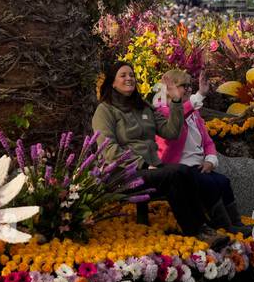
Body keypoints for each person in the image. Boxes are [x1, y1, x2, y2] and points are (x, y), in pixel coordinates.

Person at [92, 62, 227, 246]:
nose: (129, 78)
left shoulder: (144, 106)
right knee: (174, 175)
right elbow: (108, 150)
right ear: (112, 83)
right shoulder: (105, 110)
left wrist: (177, 101)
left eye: (131, 74)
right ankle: (197, 231)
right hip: (122, 173)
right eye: (123, 75)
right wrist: (143, 164)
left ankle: (201, 229)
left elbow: (171, 132)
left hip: (152, 169)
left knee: (184, 172)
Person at [154, 68, 245, 229]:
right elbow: (179, 115)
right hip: (178, 169)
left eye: (190, 85)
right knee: (208, 183)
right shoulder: (163, 112)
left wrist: (210, 160)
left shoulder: (194, 114)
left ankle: (237, 223)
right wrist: (200, 94)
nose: (189, 89)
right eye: (184, 85)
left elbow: (208, 143)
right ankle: (224, 226)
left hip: (198, 167)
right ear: (170, 89)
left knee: (223, 181)